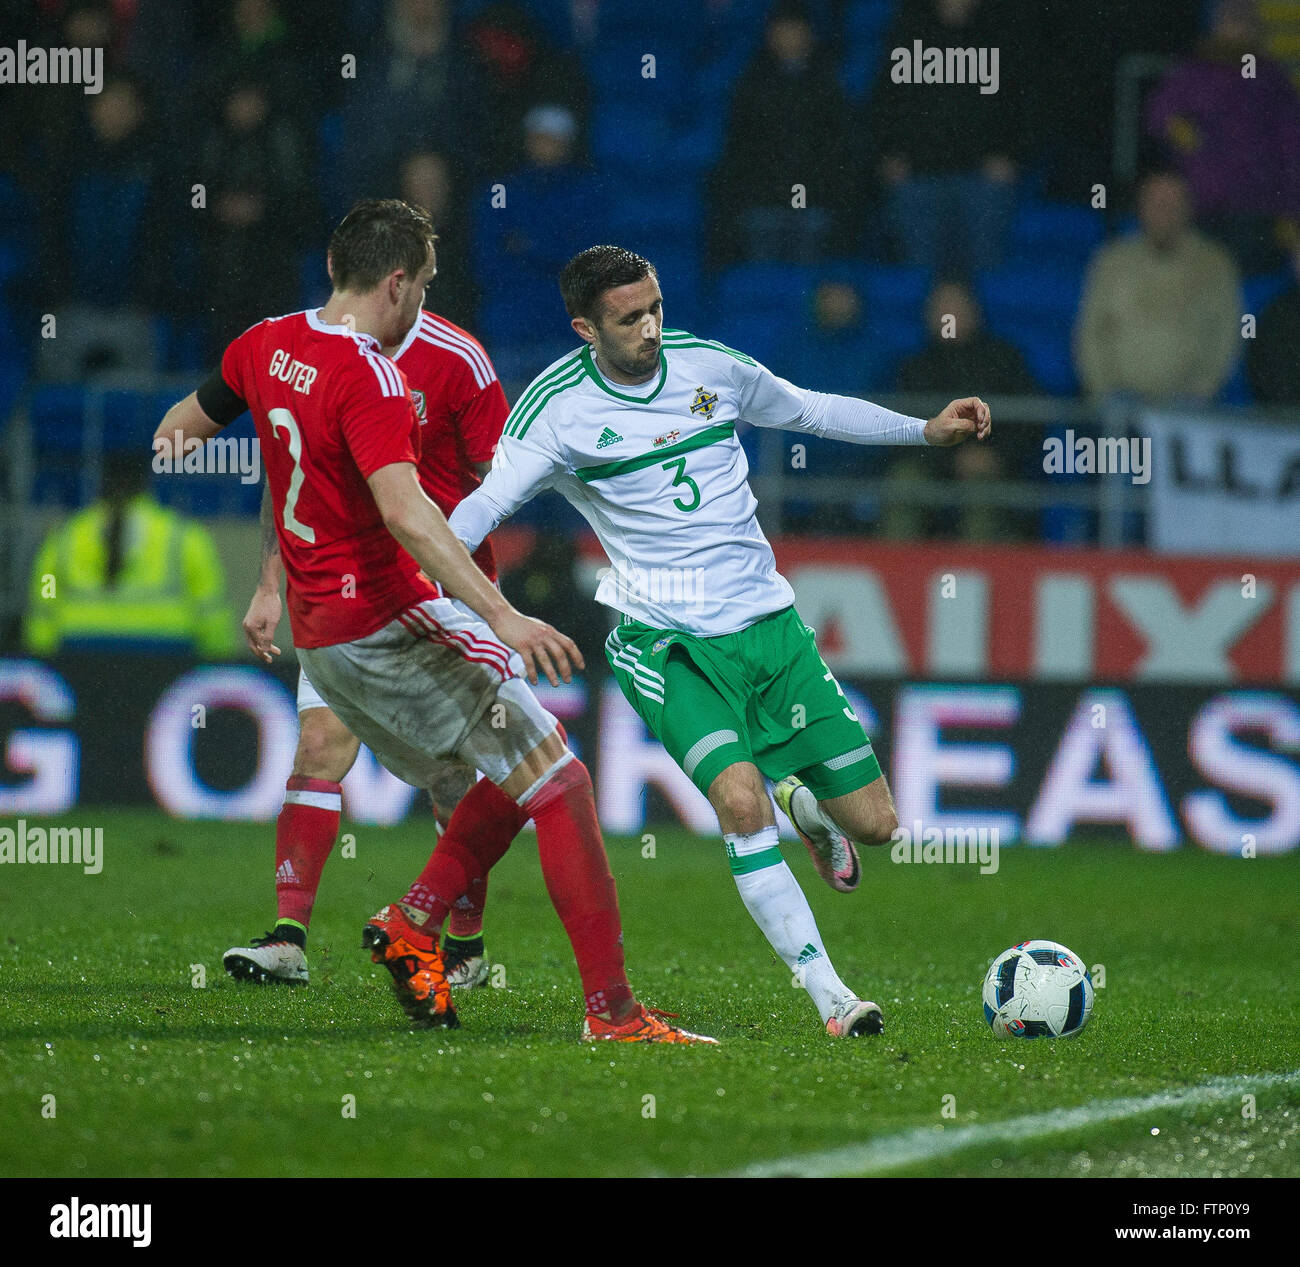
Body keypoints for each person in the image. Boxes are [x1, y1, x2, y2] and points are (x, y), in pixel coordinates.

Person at [155, 201, 712, 1044]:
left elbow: (177, 435)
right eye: (425, 284)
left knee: (506, 777)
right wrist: (506, 615)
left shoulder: (263, 343)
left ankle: (416, 924)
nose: (426, 300)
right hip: (391, 615)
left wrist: (276, 526)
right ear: (396, 281)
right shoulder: (373, 375)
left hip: (324, 641)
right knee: (562, 784)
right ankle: (613, 1012)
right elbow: (411, 516)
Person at [446, 245, 991, 1037]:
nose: (651, 328)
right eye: (629, 318)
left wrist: (925, 430)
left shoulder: (711, 366)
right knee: (738, 800)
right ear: (584, 328)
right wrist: (433, 577)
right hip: (662, 635)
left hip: (768, 626)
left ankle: (802, 801)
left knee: (876, 823)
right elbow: (482, 509)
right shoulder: (556, 410)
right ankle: (831, 996)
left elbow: (811, 409)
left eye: (655, 307)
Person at [223, 269, 514, 993]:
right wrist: (269, 583)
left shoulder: (460, 361)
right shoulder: (312, 352)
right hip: (341, 595)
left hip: (436, 593)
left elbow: (505, 477)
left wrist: (459, 572)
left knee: (455, 778)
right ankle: (288, 939)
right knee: (319, 744)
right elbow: (288, 466)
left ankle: (465, 944)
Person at [24, 452, 236, 659]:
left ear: (100, 482)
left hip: (78, 645)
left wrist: (43, 651)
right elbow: (210, 606)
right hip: (165, 650)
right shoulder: (185, 537)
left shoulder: (63, 537)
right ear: (146, 483)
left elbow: (46, 590)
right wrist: (217, 658)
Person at [1074, 170, 1242, 404]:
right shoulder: (1112, 261)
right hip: (1117, 405)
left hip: (1189, 407)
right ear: (1140, 208)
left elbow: (1225, 338)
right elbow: (1090, 334)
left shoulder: (1214, 264)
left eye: (1173, 203)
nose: (1164, 211)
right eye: (1155, 202)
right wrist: (1104, 392)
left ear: (1188, 209)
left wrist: (1200, 392)